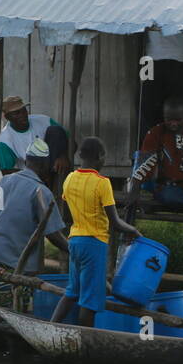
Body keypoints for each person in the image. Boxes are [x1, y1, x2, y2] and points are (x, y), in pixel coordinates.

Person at [53, 137, 142, 326]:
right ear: (100, 157)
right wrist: (133, 230)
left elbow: (69, 212)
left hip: (74, 242)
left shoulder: (69, 178)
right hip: (94, 243)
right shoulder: (102, 183)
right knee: (90, 301)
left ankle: (51, 327)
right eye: (104, 157)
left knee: (72, 292)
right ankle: (86, 343)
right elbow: (115, 222)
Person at [0, 138, 70, 311]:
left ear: (26, 161)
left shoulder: (5, 181)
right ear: (45, 165)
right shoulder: (41, 192)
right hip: (12, 262)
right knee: (13, 314)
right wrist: (75, 251)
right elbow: (53, 234)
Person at [126, 98, 183, 211]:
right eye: (169, 119)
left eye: (178, 120)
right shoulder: (155, 134)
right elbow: (144, 164)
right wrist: (135, 189)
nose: (173, 124)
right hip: (168, 185)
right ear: (163, 116)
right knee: (168, 197)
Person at [0, 96, 69, 177]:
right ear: (7, 117)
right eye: (16, 113)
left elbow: (71, 142)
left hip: (54, 167)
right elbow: (6, 171)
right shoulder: (5, 139)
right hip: (31, 175)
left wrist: (62, 155)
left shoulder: (44, 120)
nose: (22, 115)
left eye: (24, 110)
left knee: (56, 130)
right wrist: (34, 175)